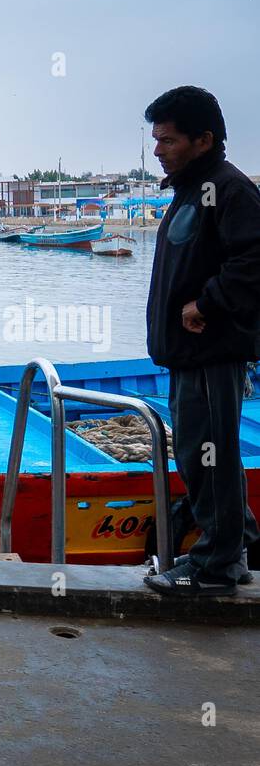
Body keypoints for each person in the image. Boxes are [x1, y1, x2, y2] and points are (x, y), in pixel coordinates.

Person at [141, 86, 260, 597]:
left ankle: (217, 565)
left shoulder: (229, 190)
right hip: (189, 357)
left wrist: (205, 304)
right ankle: (240, 543)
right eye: (156, 139)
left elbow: (254, 260)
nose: (157, 149)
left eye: (167, 139)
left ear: (204, 139)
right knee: (204, 453)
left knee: (207, 452)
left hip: (212, 354)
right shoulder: (192, 189)